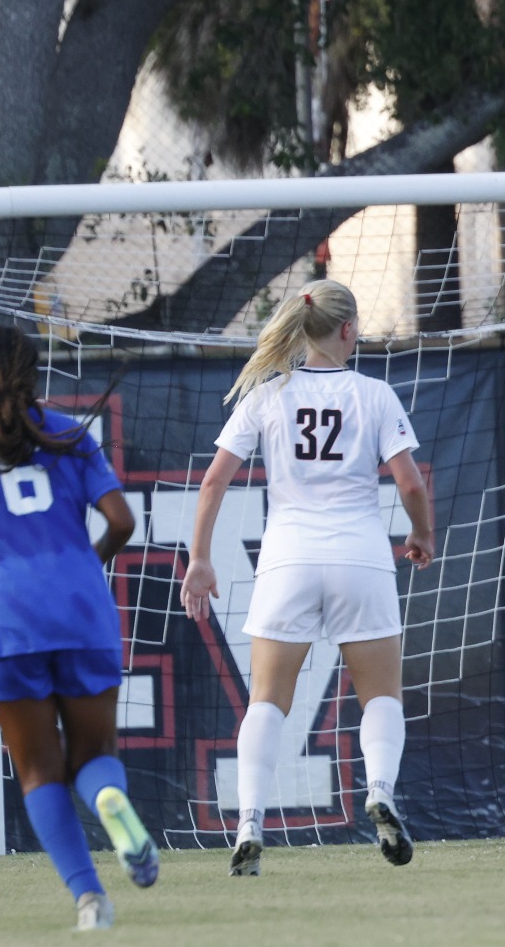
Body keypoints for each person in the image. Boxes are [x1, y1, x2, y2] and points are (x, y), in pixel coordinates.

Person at [181, 279, 435, 876]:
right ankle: (379, 790)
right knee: (381, 696)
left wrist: (199, 559)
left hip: (288, 559)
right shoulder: (374, 395)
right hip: (360, 558)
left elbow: (213, 480)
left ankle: (248, 823)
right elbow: (411, 484)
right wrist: (422, 534)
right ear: (347, 329)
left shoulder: (268, 396)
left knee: (267, 700)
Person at [0, 325, 157, 931]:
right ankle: (109, 800)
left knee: (40, 770)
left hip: (6, 623)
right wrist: (83, 557)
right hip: (81, 610)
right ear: (36, 373)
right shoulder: (70, 435)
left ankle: (90, 900)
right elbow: (122, 521)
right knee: (94, 754)